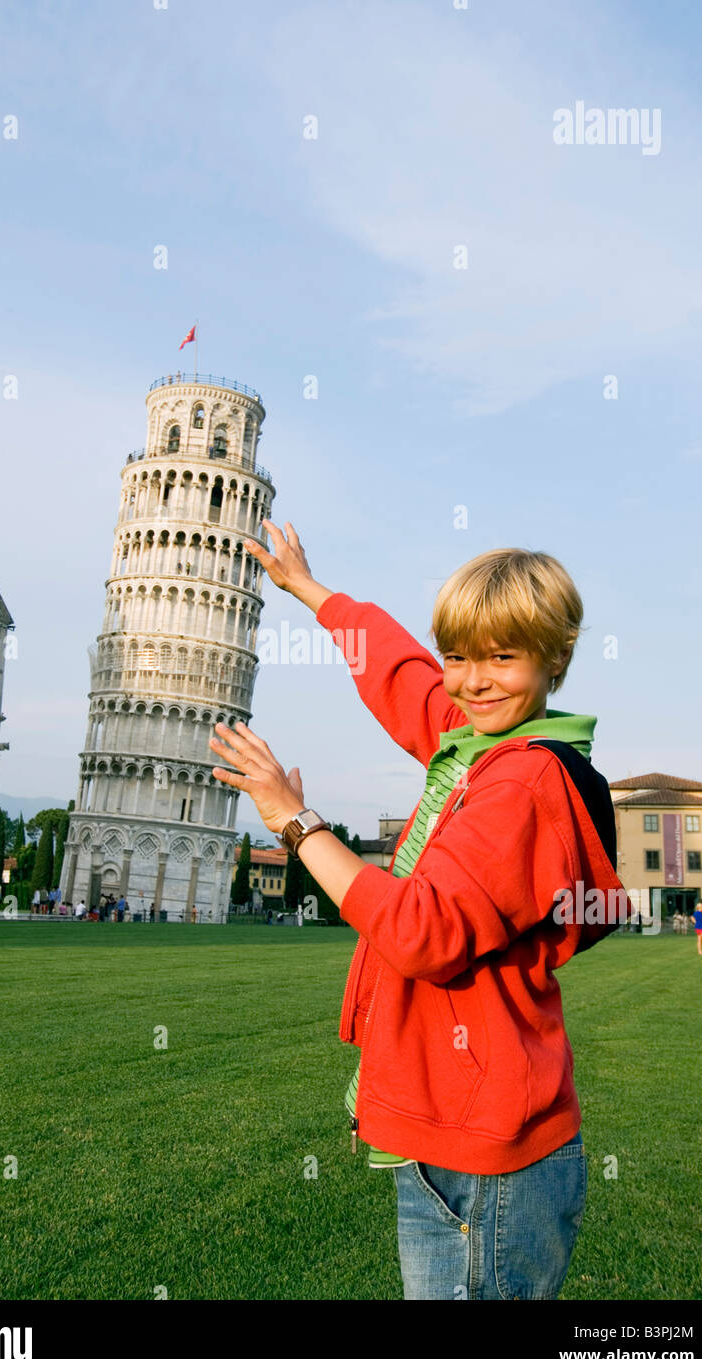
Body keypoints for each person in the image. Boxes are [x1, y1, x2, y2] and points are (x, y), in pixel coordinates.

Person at [209, 519, 632, 1301]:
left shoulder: (519, 783)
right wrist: (311, 592)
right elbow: (403, 676)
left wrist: (294, 821)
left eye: (502, 657)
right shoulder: (480, 744)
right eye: (460, 656)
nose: (471, 682)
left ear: (555, 659)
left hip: (484, 1155)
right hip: (469, 1128)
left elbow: (416, 932)